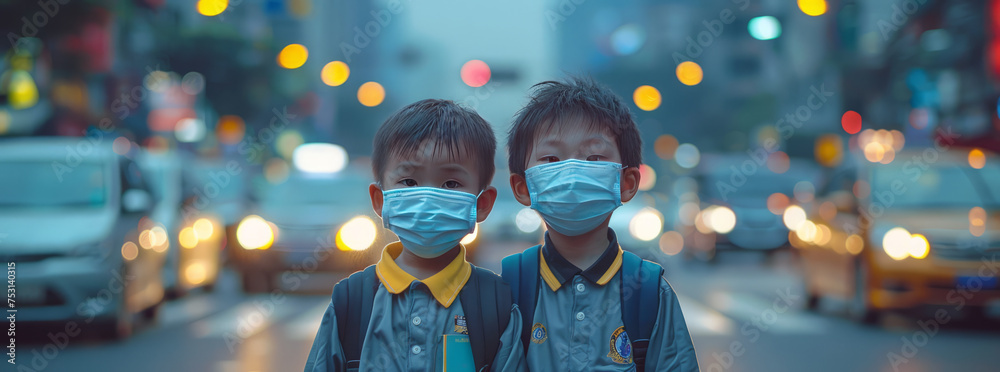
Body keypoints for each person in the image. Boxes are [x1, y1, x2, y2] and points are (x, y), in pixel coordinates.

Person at [304, 99, 525, 372]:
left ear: (482, 204)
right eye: (409, 181)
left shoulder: (496, 303)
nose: (427, 199)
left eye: (451, 183)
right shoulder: (352, 301)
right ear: (379, 199)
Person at [501, 77, 699, 371]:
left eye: (594, 157)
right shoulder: (509, 288)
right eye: (551, 158)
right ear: (523, 187)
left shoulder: (649, 292)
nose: (571, 171)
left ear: (626, 183)